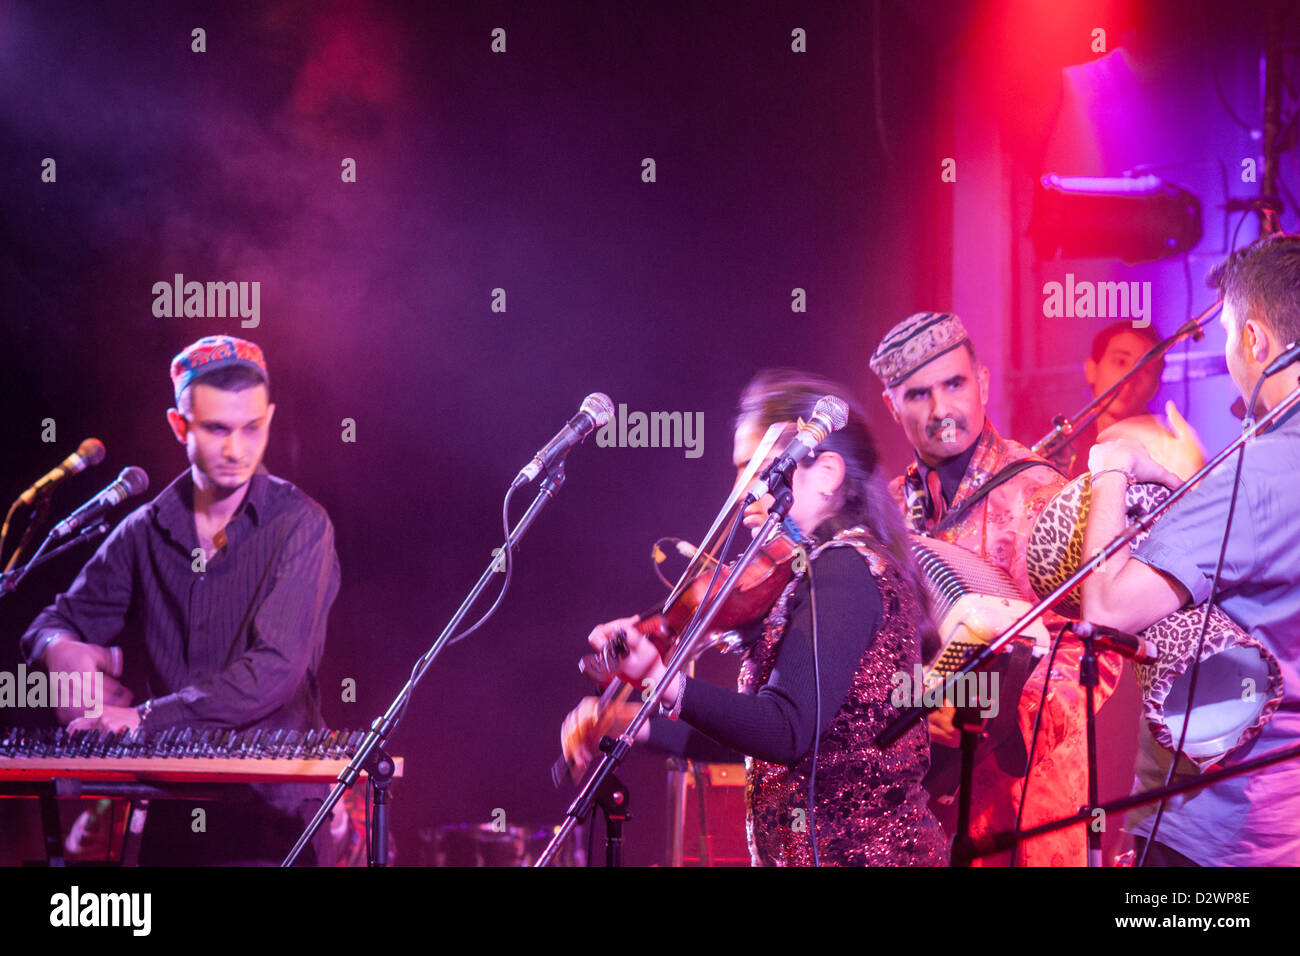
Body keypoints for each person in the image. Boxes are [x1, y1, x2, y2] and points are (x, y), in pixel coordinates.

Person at [563, 370, 949, 866]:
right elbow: (759, 748)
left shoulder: (847, 570)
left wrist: (662, 680)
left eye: (757, 468)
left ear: (827, 474)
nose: (743, 489)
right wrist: (633, 724)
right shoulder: (808, 573)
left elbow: (784, 730)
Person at [20, 335, 341, 865]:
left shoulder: (301, 524)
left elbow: (277, 669)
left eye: (252, 427)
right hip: (171, 812)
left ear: (270, 417)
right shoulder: (143, 530)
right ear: (180, 426)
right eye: (217, 429)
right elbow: (53, 622)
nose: (237, 449)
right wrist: (61, 651)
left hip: (277, 820)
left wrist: (144, 718)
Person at [869, 311, 1123, 866]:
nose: (941, 411)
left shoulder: (1044, 495)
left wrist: (999, 720)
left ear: (982, 382)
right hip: (920, 813)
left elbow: (1095, 647)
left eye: (954, 384)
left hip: (1025, 810)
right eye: (917, 395)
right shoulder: (885, 516)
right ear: (892, 407)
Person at [1082, 234, 1300, 866]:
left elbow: (1105, 607)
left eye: (1229, 335)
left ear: (1254, 340)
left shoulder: (1254, 475)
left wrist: (1111, 469)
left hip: (1213, 833)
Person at [1054, 321, 1203, 481]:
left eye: (1144, 370)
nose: (1130, 378)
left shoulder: (1169, 452)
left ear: (1156, 384)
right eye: (1120, 362)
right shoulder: (1067, 450)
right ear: (1091, 370)